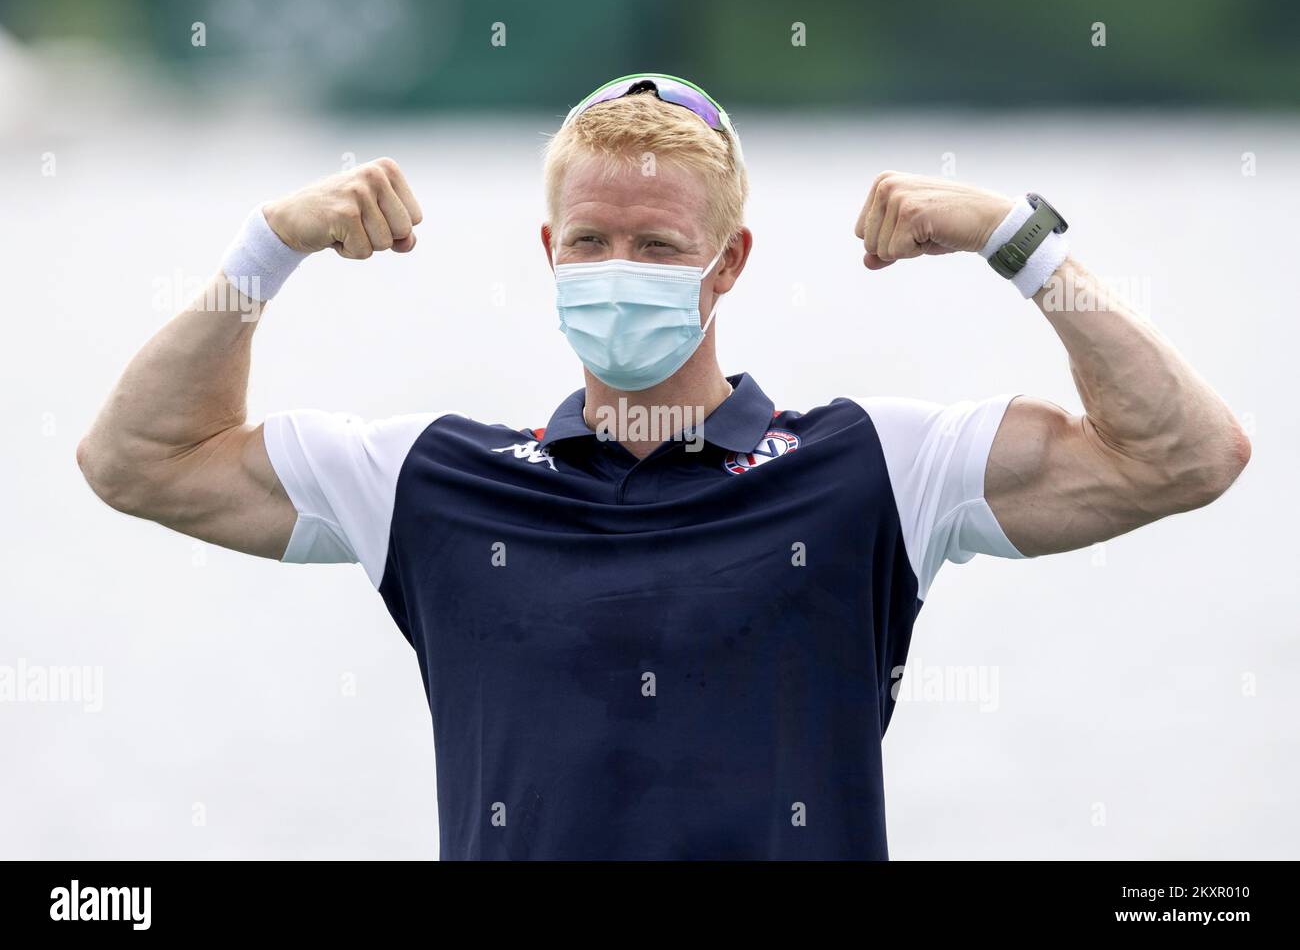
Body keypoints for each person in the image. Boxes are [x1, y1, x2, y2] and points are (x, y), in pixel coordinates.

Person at [77, 73, 1250, 859]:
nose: (616, 266)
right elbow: (137, 458)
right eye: (589, 241)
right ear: (548, 251)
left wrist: (1016, 239)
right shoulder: (428, 481)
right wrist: (267, 247)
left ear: (727, 262)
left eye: (656, 245)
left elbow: (1186, 454)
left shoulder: (874, 466)